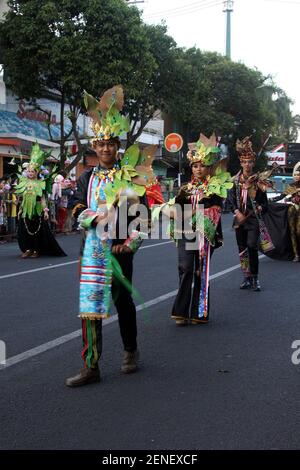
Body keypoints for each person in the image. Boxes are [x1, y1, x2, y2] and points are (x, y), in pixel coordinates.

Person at [66, 86, 163, 387]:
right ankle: (90, 365)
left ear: (117, 146)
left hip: (120, 251)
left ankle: (130, 350)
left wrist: (129, 243)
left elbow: (143, 215)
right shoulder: (86, 177)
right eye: (101, 144)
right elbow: (75, 208)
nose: (106, 149)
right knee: (90, 309)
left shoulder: (130, 177)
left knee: (122, 303)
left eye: (111, 144)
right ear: (94, 146)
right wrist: (97, 218)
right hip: (91, 251)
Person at [157, 133, 232, 325]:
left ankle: (199, 311)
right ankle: (180, 311)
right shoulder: (185, 188)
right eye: (195, 165)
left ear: (209, 168)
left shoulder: (216, 188)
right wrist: (168, 211)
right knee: (186, 267)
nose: (198, 169)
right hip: (185, 232)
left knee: (201, 270)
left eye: (202, 165)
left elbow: (215, 209)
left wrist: (196, 216)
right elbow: (174, 207)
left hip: (205, 232)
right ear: (191, 167)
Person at [228, 136, 271, 291]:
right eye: (245, 162)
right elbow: (230, 200)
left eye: (250, 162)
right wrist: (236, 211)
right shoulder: (234, 181)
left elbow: (265, 204)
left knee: (252, 245)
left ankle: (255, 278)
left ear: (253, 163)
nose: (247, 164)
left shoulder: (259, 181)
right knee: (242, 248)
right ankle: (246, 277)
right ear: (241, 162)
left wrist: (260, 208)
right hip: (239, 219)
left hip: (253, 219)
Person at [15, 143, 66, 258]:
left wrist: (46, 211)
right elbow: (23, 198)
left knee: (36, 231)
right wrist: (20, 210)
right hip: (26, 210)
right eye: (29, 171)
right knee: (24, 230)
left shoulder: (41, 183)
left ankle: (36, 249)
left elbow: (42, 199)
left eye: (32, 171)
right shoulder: (23, 182)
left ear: (37, 172)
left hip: (37, 209)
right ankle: (28, 249)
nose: (30, 173)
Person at [268, 162, 300, 262]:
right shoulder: (291, 186)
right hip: (293, 210)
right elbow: (280, 197)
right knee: (292, 232)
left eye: (298, 174)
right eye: (295, 175)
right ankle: (296, 254)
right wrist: (267, 201)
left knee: (299, 231)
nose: (296, 177)